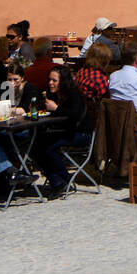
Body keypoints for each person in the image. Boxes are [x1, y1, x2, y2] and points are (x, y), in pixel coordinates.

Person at [35, 65, 89, 198]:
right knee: (34, 145)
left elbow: (75, 115)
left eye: (54, 80)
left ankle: (64, 178)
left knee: (47, 148)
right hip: (63, 130)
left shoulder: (73, 94)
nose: (50, 83)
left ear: (63, 81)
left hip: (80, 133)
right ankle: (57, 180)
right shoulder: (52, 94)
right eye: (49, 80)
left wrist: (56, 108)